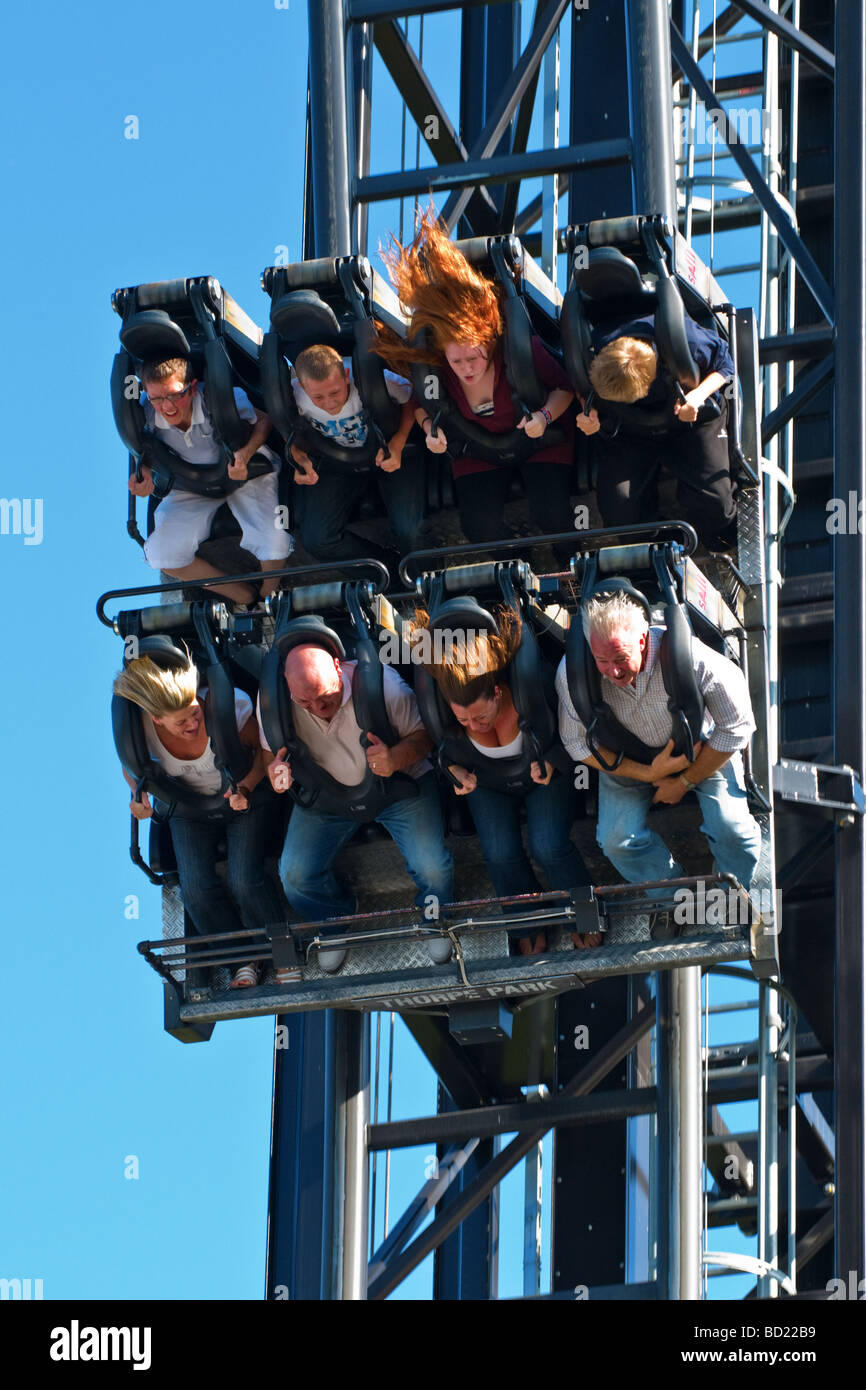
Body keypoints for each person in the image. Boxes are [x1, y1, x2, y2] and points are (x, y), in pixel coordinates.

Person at [373, 210, 576, 563]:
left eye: (475, 359)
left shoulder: (520, 352)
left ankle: (572, 566)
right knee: (478, 526)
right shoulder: (437, 369)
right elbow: (420, 405)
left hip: (540, 439)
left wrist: (544, 416)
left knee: (553, 514)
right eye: (458, 362)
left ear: (490, 344)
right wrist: (429, 430)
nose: (466, 369)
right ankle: (518, 569)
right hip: (477, 450)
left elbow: (565, 387)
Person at [556, 589, 762, 924]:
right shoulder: (573, 674)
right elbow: (577, 744)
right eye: (602, 661)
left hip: (698, 751)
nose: (613, 672)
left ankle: (732, 895)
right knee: (616, 840)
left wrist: (683, 780)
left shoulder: (692, 659)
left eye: (620, 658)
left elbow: (737, 728)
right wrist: (649, 774)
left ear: (642, 639)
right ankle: (672, 899)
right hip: (627, 761)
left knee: (733, 830)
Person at [411, 610, 597, 954]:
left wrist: (554, 761)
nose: (475, 725)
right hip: (488, 780)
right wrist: (453, 771)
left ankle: (583, 911)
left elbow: (579, 734)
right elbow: (439, 751)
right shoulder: (443, 712)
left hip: (544, 770)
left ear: (497, 691)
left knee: (548, 845)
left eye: (481, 715)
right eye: (462, 718)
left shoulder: (536, 686)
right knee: (499, 852)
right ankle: (528, 918)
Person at [261, 643, 455, 971]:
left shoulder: (384, 686)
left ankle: (434, 917)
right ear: (286, 683)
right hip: (327, 798)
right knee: (294, 875)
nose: (318, 707)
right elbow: (270, 751)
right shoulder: (277, 701)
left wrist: (395, 758)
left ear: (339, 668)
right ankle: (335, 919)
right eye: (305, 701)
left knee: (432, 866)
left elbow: (425, 736)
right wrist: (274, 771)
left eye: (324, 696)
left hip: (397, 786)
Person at [113, 650, 291, 989]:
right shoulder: (140, 732)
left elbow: (264, 753)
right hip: (189, 809)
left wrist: (247, 786)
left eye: (194, 712)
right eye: (181, 723)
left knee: (244, 878)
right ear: (156, 720)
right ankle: (242, 959)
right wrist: (137, 794)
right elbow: (130, 765)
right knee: (194, 890)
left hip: (242, 798)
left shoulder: (230, 708)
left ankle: (282, 952)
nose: (192, 724)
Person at [128, 355, 293, 604]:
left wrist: (245, 454)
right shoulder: (147, 414)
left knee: (273, 542)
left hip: (243, 474)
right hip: (192, 483)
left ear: (192, 387)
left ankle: (267, 594)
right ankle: (243, 596)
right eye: (157, 399)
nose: (168, 406)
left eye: (175, 395)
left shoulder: (219, 398)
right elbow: (141, 450)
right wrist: (144, 473)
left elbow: (263, 420)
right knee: (161, 554)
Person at [575, 313, 738, 550]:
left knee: (715, 507)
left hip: (689, 419)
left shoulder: (687, 341)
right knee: (619, 513)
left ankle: (715, 541)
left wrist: (697, 396)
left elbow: (725, 365)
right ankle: (659, 546)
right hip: (632, 427)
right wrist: (587, 412)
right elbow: (581, 386)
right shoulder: (596, 344)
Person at [289, 344, 426, 561]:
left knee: (410, 532)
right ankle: (386, 572)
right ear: (303, 388)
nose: (330, 403)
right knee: (317, 540)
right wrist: (298, 456)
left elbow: (411, 398)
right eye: (319, 397)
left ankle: (422, 575)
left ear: (345, 375)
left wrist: (398, 442)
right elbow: (292, 433)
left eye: (335, 392)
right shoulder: (294, 395)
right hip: (338, 461)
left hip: (389, 453)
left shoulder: (373, 377)